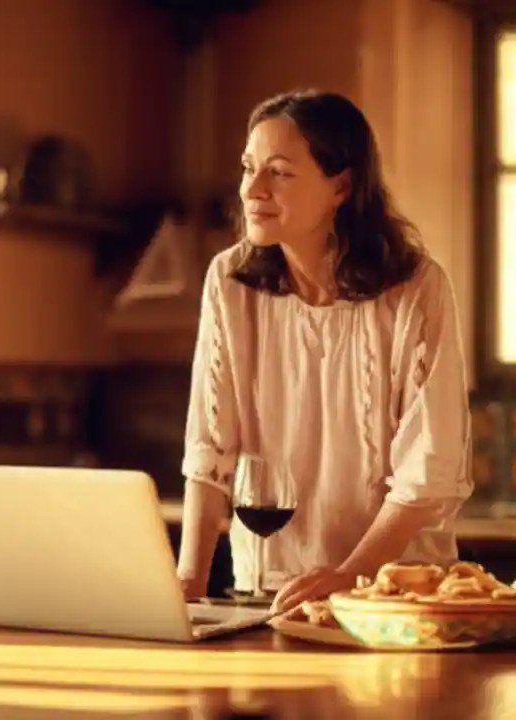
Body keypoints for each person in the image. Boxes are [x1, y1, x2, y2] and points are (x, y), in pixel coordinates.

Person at [175, 90, 473, 615]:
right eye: (249, 168)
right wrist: (187, 588)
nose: (253, 189)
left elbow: (424, 477)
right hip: (269, 596)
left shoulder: (417, 289)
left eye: (280, 172)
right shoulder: (230, 280)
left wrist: (346, 578)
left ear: (342, 185)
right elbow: (209, 452)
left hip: (396, 601)